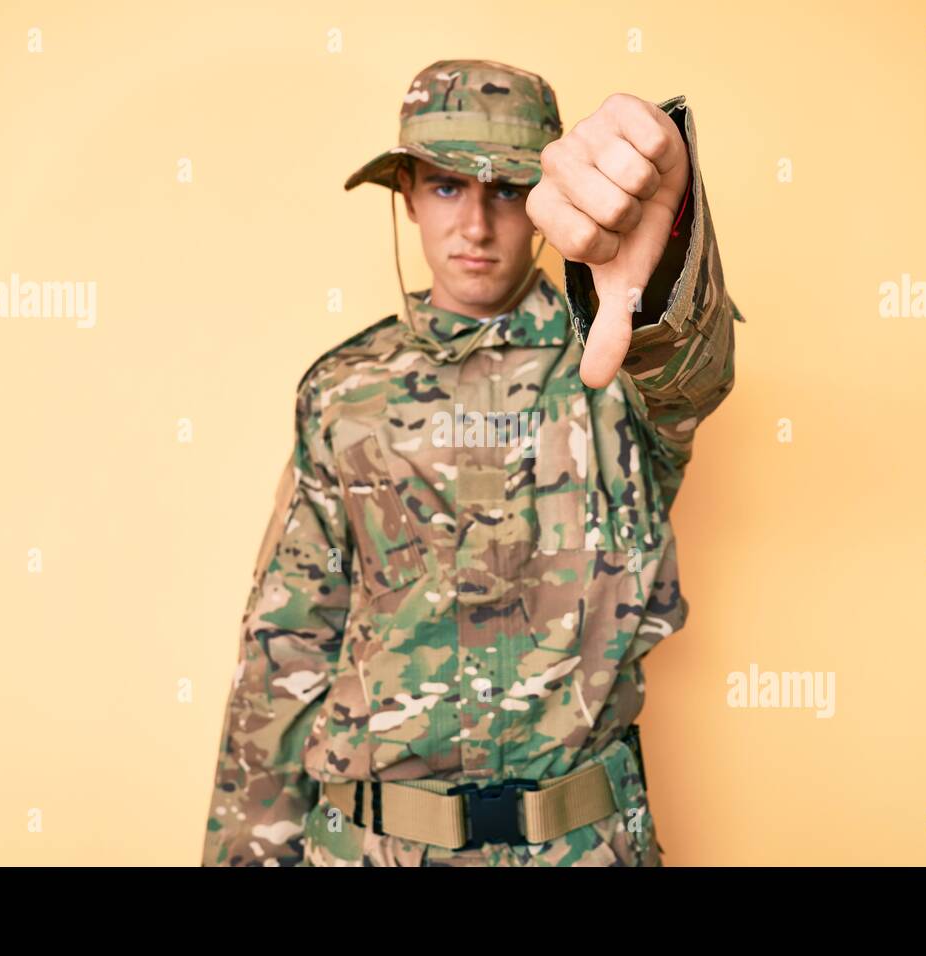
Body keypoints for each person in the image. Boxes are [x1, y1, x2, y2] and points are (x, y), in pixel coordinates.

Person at [201, 58, 744, 867]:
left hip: (581, 848)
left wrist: (661, 255)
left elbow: (688, 367)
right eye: (449, 187)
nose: (477, 227)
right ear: (408, 195)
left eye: (510, 192)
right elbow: (286, 646)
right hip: (372, 849)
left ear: (549, 206)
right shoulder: (344, 392)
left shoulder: (614, 358)